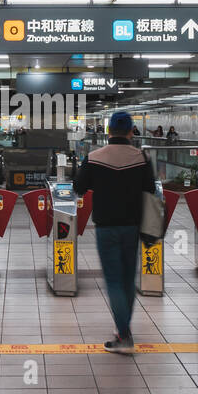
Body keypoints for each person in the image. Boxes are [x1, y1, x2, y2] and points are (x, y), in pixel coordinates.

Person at [73, 110, 156, 355]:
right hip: (133, 227)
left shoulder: (95, 157)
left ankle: (124, 335)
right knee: (128, 278)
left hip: (106, 227)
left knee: (113, 280)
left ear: (108, 131)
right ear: (132, 131)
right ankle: (123, 328)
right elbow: (150, 189)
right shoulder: (141, 158)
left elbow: (78, 187)